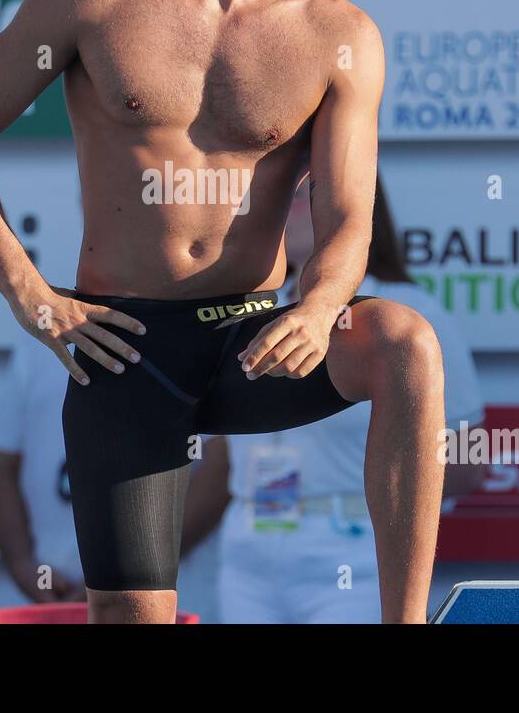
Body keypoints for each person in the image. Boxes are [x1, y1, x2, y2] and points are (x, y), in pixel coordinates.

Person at [0, 0, 446, 624]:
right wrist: (32, 296)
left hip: (252, 335)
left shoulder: (334, 31)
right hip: (123, 346)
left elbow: (348, 221)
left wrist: (318, 310)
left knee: (405, 342)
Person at [183, 174, 486, 623]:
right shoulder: (250, 313)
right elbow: (225, 457)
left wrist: (377, 484)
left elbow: (469, 463)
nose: (282, 209)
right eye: (274, 194)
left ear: (356, 207)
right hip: (248, 551)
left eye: (302, 195)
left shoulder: (404, 317)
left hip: (352, 551)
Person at [0, 329, 221, 616]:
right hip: (55, 591)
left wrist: (125, 579)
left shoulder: (181, 332)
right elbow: (0, 462)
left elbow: (219, 469)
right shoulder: (44, 339)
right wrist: (23, 565)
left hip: (171, 590)